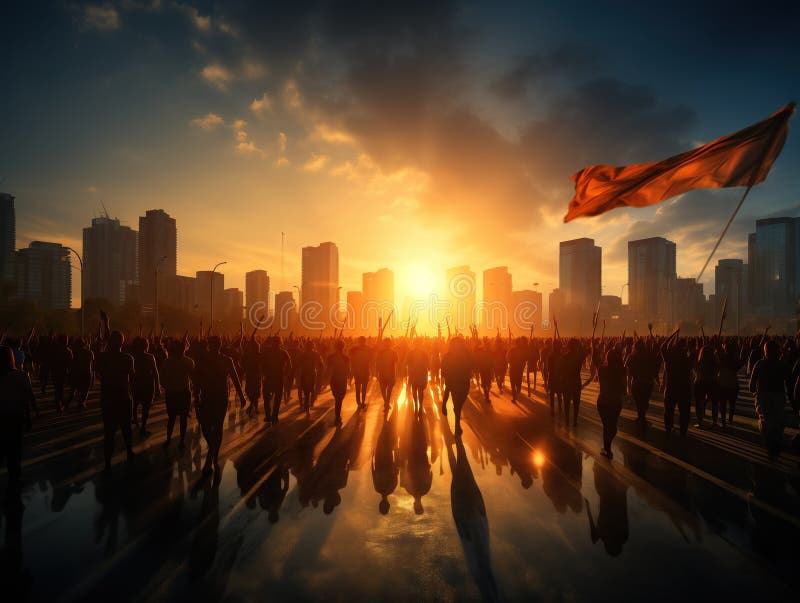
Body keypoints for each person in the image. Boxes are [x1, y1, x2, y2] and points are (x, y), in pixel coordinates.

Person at [194, 336, 246, 476]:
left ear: (215, 345)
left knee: (213, 426)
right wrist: (196, 395)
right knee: (209, 426)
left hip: (216, 397)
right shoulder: (203, 360)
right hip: (211, 396)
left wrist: (241, 396)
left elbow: (234, 378)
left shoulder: (225, 360)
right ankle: (213, 450)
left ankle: (213, 454)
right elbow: (197, 379)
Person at [95, 330, 136, 472]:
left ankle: (107, 463)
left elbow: (98, 374)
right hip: (124, 397)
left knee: (109, 433)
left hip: (108, 398)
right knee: (126, 429)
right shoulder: (128, 358)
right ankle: (129, 451)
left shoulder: (102, 357)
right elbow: (132, 377)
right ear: (122, 342)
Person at [0, 345, 35, 496]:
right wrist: (29, 417)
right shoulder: (21, 376)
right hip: (15, 417)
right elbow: (27, 399)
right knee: (14, 451)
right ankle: (15, 479)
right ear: (12, 358)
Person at [749, 340, 786, 457]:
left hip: (763, 396)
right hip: (779, 395)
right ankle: (776, 442)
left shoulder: (759, 364)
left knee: (765, 420)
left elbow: (751, 385)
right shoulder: (781, 364)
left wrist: (755, 392)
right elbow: (788, 379)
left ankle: (770, 444)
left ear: (765, 351)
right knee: (777, 420)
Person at [589, 346, 627, 459]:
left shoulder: (602, 370)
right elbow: (624, 389)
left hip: (603, 402)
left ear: (607, 358)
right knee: (612, 426)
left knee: (607, 426)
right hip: (615, 402)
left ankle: (607, 449)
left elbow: (594, 358)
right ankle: (607, 449)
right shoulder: (622, 370)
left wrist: (595, 343)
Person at [159, 339, 195, 451]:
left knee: (171, 418)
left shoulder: (167, 362)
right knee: (183, 418)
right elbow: (194, 377)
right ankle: (182, 441)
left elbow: (162, 378)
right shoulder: (189, 361)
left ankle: (168, 439)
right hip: (184, 392)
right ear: (183, 349)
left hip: (171, 393)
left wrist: (167, 387)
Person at [660, 329, 693, 436]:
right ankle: (683, 432)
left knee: (669, 412)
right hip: (684, 390)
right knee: (684, 413)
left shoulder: (669, 359)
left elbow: (663, 347)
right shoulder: (687, 360)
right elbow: (693, 351)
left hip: (671, 389)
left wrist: (673, 335)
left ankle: (668, 430)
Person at [625, 336, 659, 426]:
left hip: (636, 383)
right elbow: (656, 348)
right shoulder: (649, 356)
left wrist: (628, 386)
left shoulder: (631, 357)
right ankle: (642, 416)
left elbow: (628, 372)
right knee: (645, 401)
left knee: (639, 402)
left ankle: (641, 416)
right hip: (647, 383)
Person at [131, 337, 160, 438]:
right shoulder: (149, 357)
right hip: (147, 384)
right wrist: (158, 387)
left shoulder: (133, 356)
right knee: (146, 407)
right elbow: (156, 372)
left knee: (134, 404)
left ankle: (135, 420)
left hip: (136, 383)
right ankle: (143, 427)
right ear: (146, 346)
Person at [443, 336, 472, 437]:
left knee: (459, 403)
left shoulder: (467, 354)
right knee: (456, 404)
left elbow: (471, 365)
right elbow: (443, 371)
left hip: (464, 382)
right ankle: (457, 424)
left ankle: (456, 420)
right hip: (454, 382)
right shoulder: (447, 356)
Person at [261, 336, 292, 425]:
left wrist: (263, 373)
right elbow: (290, 365)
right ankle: (274, 416)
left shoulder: (267, 352)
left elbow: (261, 363)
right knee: (277, 398)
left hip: (270, 377)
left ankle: (268, 416)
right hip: (278, 377)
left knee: (267, 398)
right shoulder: (283, 352)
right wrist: (286, 374)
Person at [561, 339, 587, 426]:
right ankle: (575, 420)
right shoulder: (579, 357)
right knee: (576, 403)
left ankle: (567, 420)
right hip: (576, 381)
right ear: (576, 347)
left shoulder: (564, 357)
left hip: (567, 382)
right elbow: (585, 350)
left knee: (566, 403)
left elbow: (562, 371)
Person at [327, 340, 350, 427]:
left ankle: (337, 416)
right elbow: (348, 370)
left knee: (337, 399)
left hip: (334, 380)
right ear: (343, 347)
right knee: (339, 399)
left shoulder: (330, 357)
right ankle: (337, 416)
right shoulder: (346, 358)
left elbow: (327, 370)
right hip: (342, 380)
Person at [67, 338, 94, 410]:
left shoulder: (73, 352)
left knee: (73, 390)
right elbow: (92, 364)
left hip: (76, 373)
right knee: (85, 391)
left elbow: (70, 364)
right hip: (86, 374)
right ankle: (81, 403)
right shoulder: (89, 352)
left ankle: (66, 404)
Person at [297, 341, 323, 414]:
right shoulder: (316, 354)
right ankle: (310, 404)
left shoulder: (302, 354)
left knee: (306, 392)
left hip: (305, 374)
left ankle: (307, 405)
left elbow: (298, 364)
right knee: (312, 389)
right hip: (311, 374)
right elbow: (321, 364)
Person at [406, 338, 429, 416]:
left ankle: (416, 406)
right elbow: (427, 365)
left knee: (414, 390)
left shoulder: (411, 353)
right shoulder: (424, 353)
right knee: (420, 392)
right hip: (420, 375)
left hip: (414, 375)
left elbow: (407, 363)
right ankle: (419, 407)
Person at [350, 336, 372, 409]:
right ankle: (360, 402)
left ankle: (360, 402)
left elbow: (370, 359)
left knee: (361, 388)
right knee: (360, 388)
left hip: (362, 371)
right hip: (360, 371)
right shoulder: (356, 349)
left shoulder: (355, 349)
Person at [376, 338, 397, 412]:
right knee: (388, 390)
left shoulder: (380, 352)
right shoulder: (393, 352)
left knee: (383, 390)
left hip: (383, 373)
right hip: (389, 373)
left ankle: (386, 402)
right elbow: (395, 363)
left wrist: (376, 373)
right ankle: (386, 402)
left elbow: (377, 363)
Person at [241, 338, 262, 416]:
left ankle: (254, 407)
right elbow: (242, 362)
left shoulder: (259, 355)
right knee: (249, 391)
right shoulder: (248, 355)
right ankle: (252, 405)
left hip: (256, 376)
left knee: (255, 393)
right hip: (250, 376)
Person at [507, 337, 528, 403]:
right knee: (516, 383)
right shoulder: (514, 349)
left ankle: (515, 396)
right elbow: (508, 358)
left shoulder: (513, 349)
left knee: (514, 383)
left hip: (515, 369)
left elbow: (507, 358)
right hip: (516, 369)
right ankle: (515, 396)